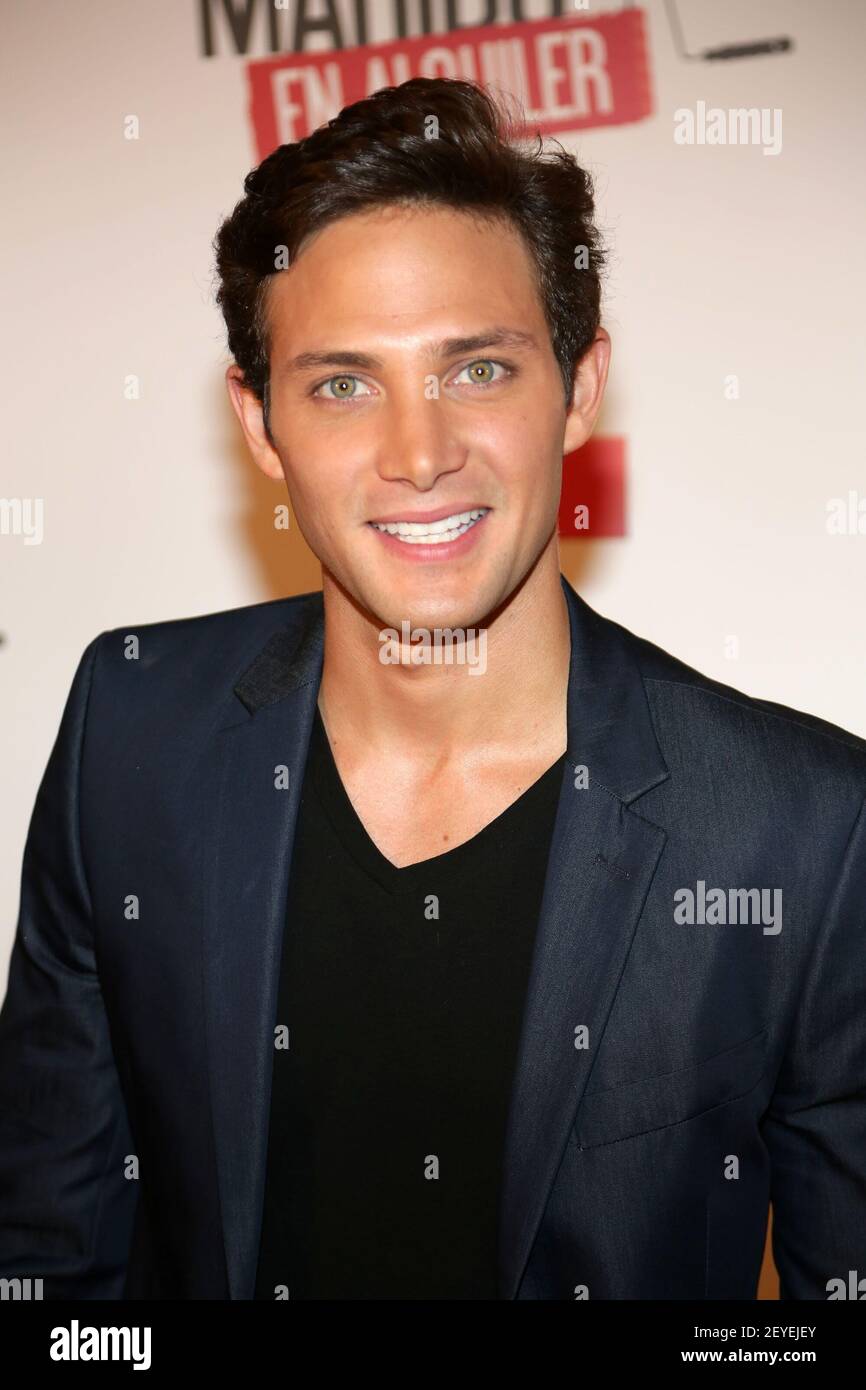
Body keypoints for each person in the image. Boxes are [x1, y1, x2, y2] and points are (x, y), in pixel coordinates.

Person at [1, 77, 864, 1301]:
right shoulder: (129, 732)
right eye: (341, 383)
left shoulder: (803, 830)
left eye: (476, 370)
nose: (418, 455)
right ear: (259, 428)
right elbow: (47, 1258)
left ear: (578, 387)